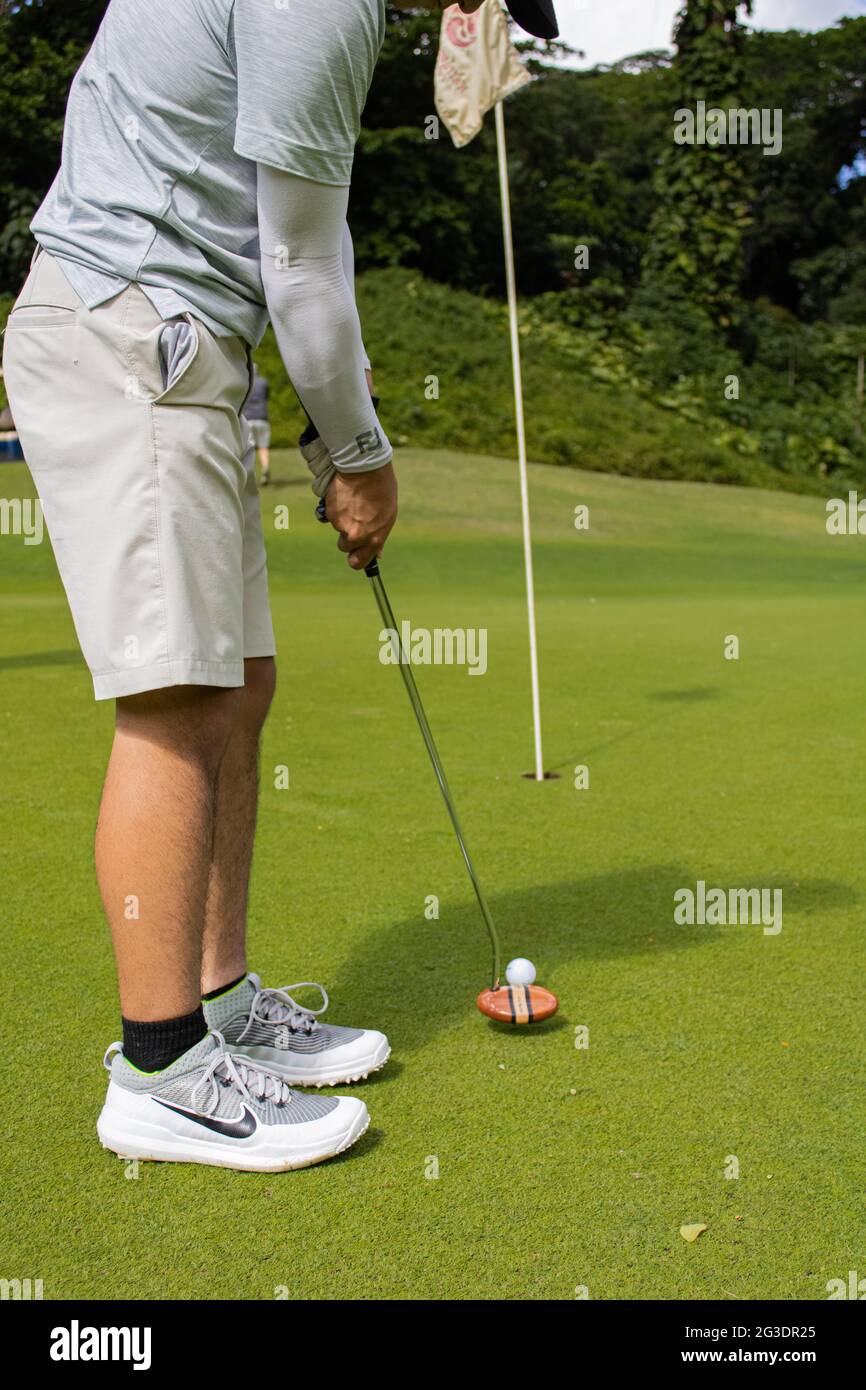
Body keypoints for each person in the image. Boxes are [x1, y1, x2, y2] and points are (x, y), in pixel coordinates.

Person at [1, 0, 557, 1174]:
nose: (467, 15)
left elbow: (302, 238)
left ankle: (219, 1002)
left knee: (237, 683)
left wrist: (332, 410)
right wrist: (359, 455)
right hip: (134, 328)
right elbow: (298, 262)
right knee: (180, 698)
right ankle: (161, 1071)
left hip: (188, 344)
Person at [242, 364, 271, 486]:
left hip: (247, 419)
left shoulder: (244, 383)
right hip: (262, 418)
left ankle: (249, 475)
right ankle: (265, 468)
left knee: (248, 449)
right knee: (263, 447)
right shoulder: (264, 383)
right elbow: (267, 397)